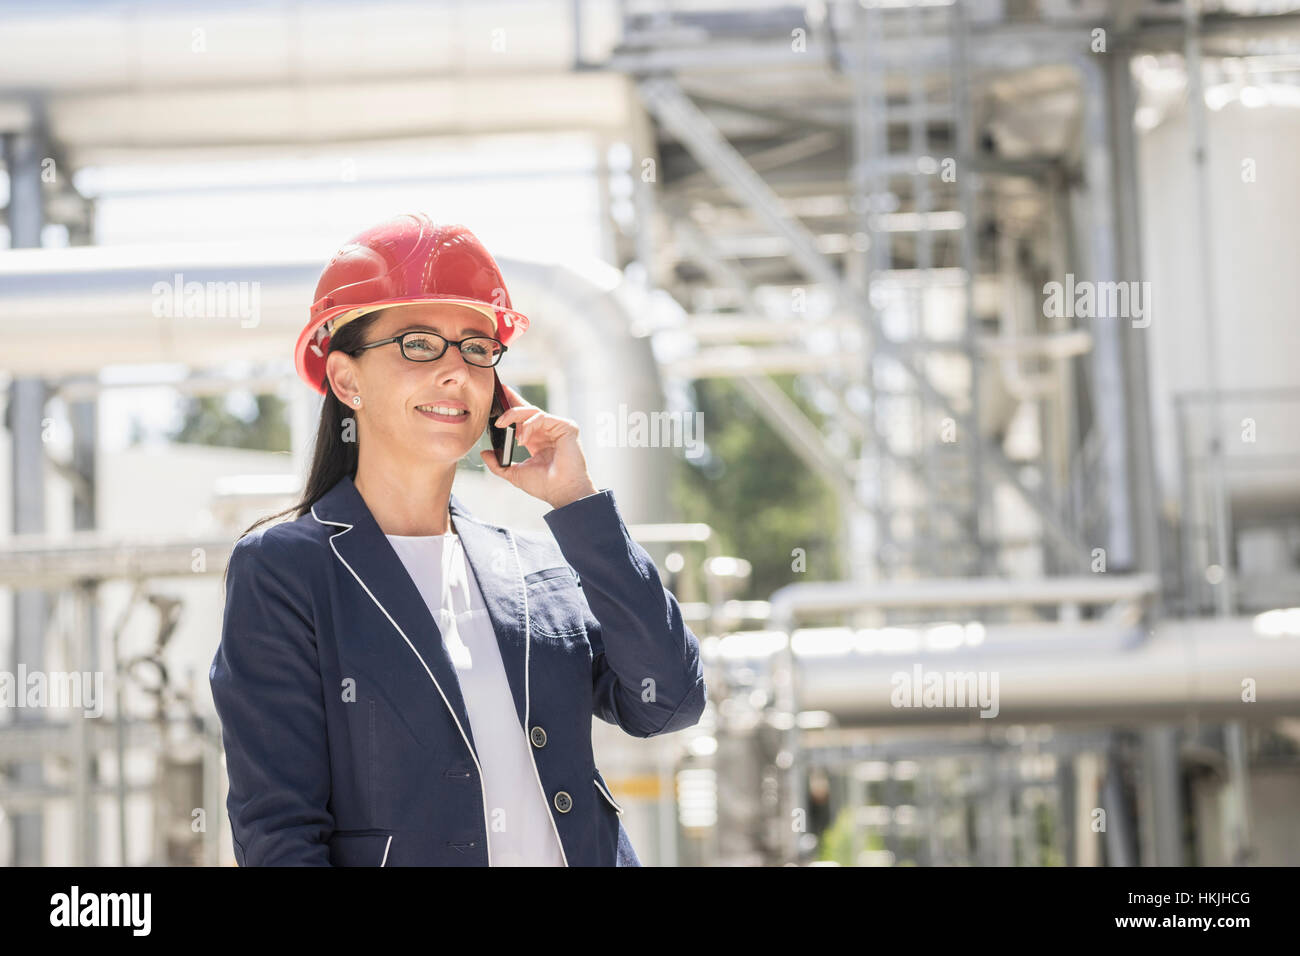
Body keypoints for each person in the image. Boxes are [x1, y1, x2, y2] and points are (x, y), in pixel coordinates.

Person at [208, 214, 707, 866]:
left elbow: (669, 701)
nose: (456, 372)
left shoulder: (534, 566)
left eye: (476, 348)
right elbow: (280, 834)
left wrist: (579, 505)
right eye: (419, 344)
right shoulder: (288, 573)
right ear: (346, 379)